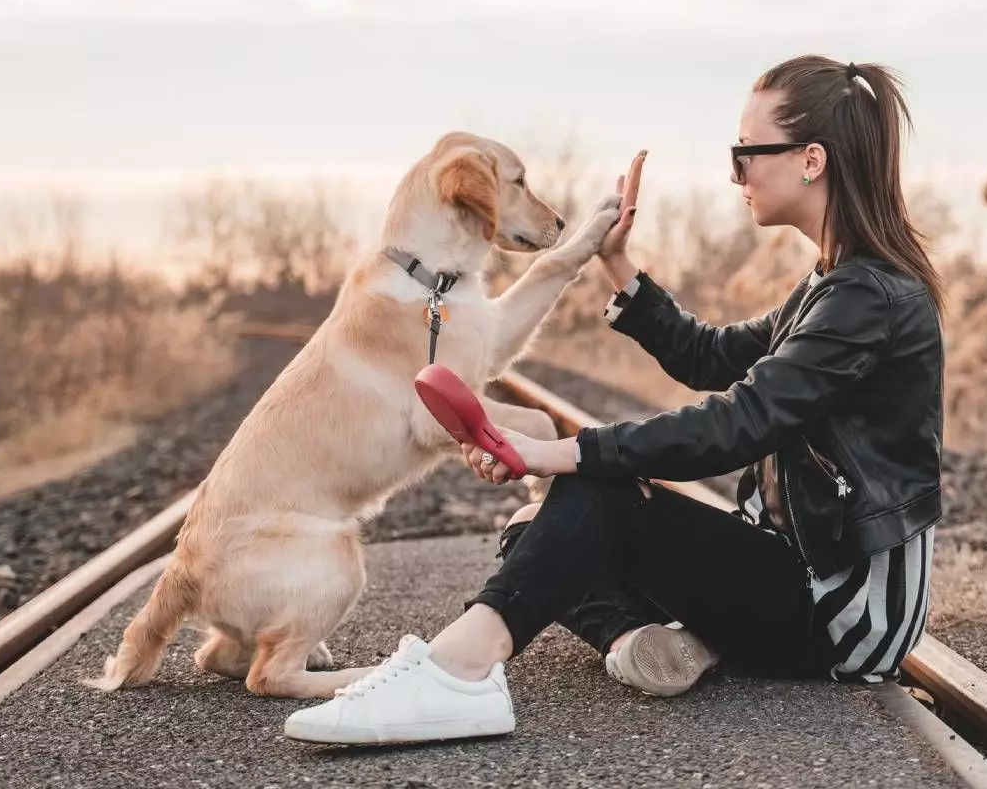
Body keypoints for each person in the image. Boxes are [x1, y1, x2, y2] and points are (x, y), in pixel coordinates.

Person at [283, 53, 947, 746]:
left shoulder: (867, 298)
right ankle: (650, 642)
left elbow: (739, 422)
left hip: (843, 611)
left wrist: (562, 451)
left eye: (745, 152)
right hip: (794, 572)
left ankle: (458, 672)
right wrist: (617, 263)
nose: (734, 173)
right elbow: (710, 357)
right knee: (533, 531)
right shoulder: (832, 286)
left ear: (811, 160)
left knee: (590, 498)